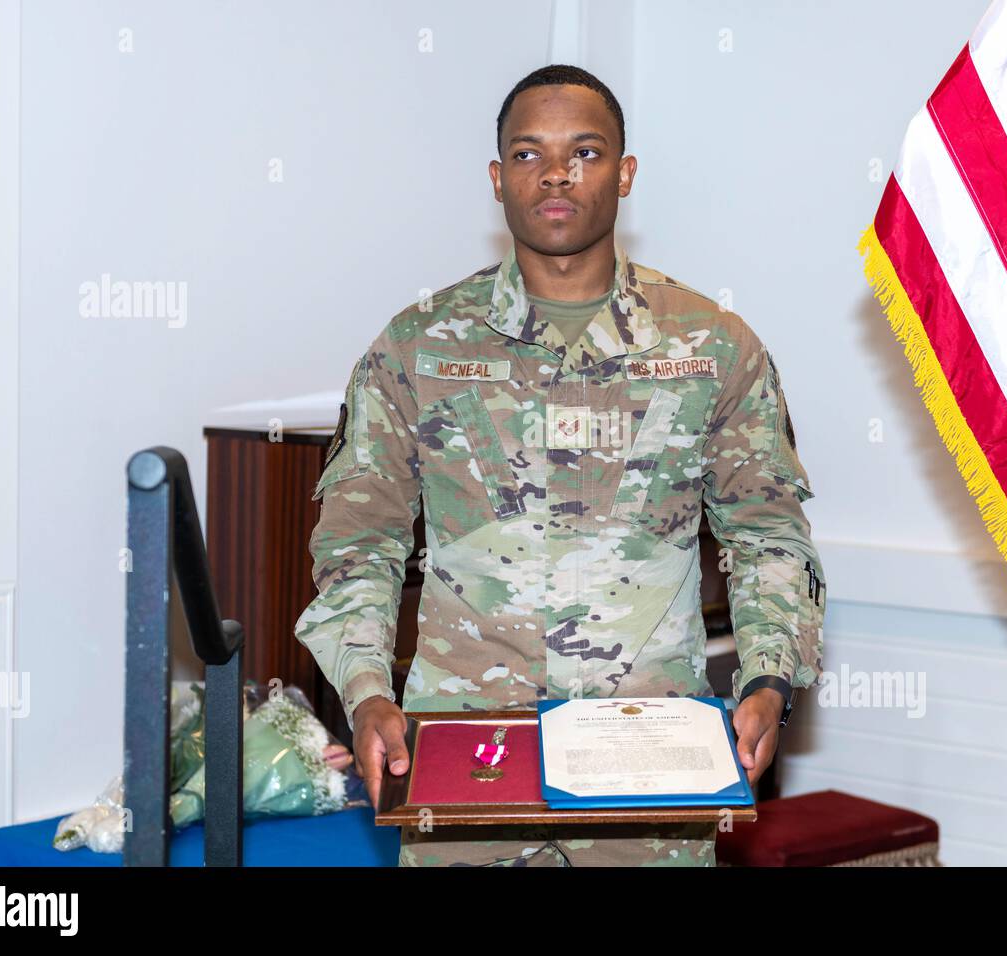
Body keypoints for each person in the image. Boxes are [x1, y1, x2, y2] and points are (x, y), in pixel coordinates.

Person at [293, 64, 826, 867]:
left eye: (585, 152)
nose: (556, 174)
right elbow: (359, 542)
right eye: (529, 153)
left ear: (625, 172)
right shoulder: (418, 347)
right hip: (467, 763)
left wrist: (768, 682)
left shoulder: (711, 347)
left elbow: (768, 536)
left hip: (650, 773)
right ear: (497, 178)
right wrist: (365, 691)